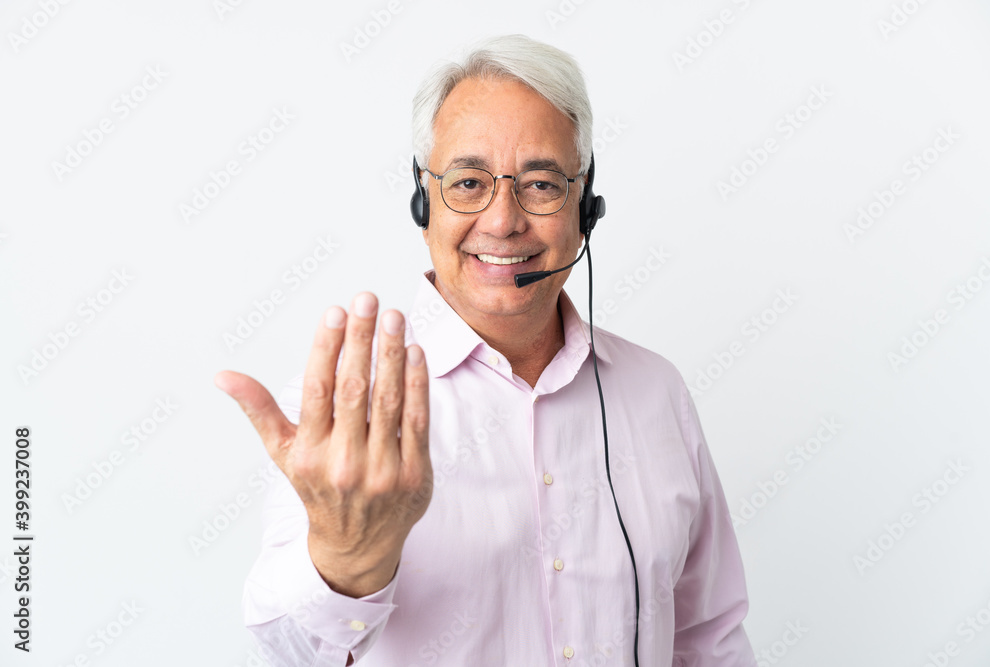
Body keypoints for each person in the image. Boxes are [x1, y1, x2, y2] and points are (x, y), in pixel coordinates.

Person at [216, 34, 756, 667]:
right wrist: (343, 558)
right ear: (423, 202)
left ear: (585, 205)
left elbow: (709, 639)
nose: (502, 221)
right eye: (468, 182)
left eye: (541, 184)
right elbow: (287, 647)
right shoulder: (348, 406)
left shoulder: (656, 391)